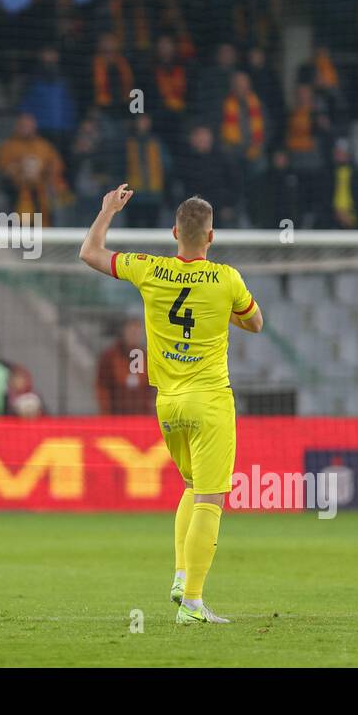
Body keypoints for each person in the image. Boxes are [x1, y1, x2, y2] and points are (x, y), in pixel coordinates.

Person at [80, 186, 263, 626]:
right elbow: (255, 323)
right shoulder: (227, 278)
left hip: (167, 404)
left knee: (190, 487)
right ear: (211, 237)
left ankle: (182, 578)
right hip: (210, 401)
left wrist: (107, 211)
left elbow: (89, 253)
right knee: (211, 498)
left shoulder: (150, 269)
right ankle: (194, 605)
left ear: (174, 231)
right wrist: (225, 314)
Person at [0, 112, 68, 227]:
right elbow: (4, 167)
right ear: (17, 127)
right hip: (17, 191)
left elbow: (56, 166)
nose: (26, 129)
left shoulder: (43, 146)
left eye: (29, 125)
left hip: (42, 190)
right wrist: (20, 169)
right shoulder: (9, 146)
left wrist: (43, 173)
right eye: (23, 126)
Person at [95, 317, 155, 415]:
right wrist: (106, 412)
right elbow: (102, 387)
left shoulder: (147, 357)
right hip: (117, 415)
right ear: (124, 331)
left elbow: (151, 387)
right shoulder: (110, 356)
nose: (134, 334)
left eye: (137, 331)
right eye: (131, 330)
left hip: (142, 416)